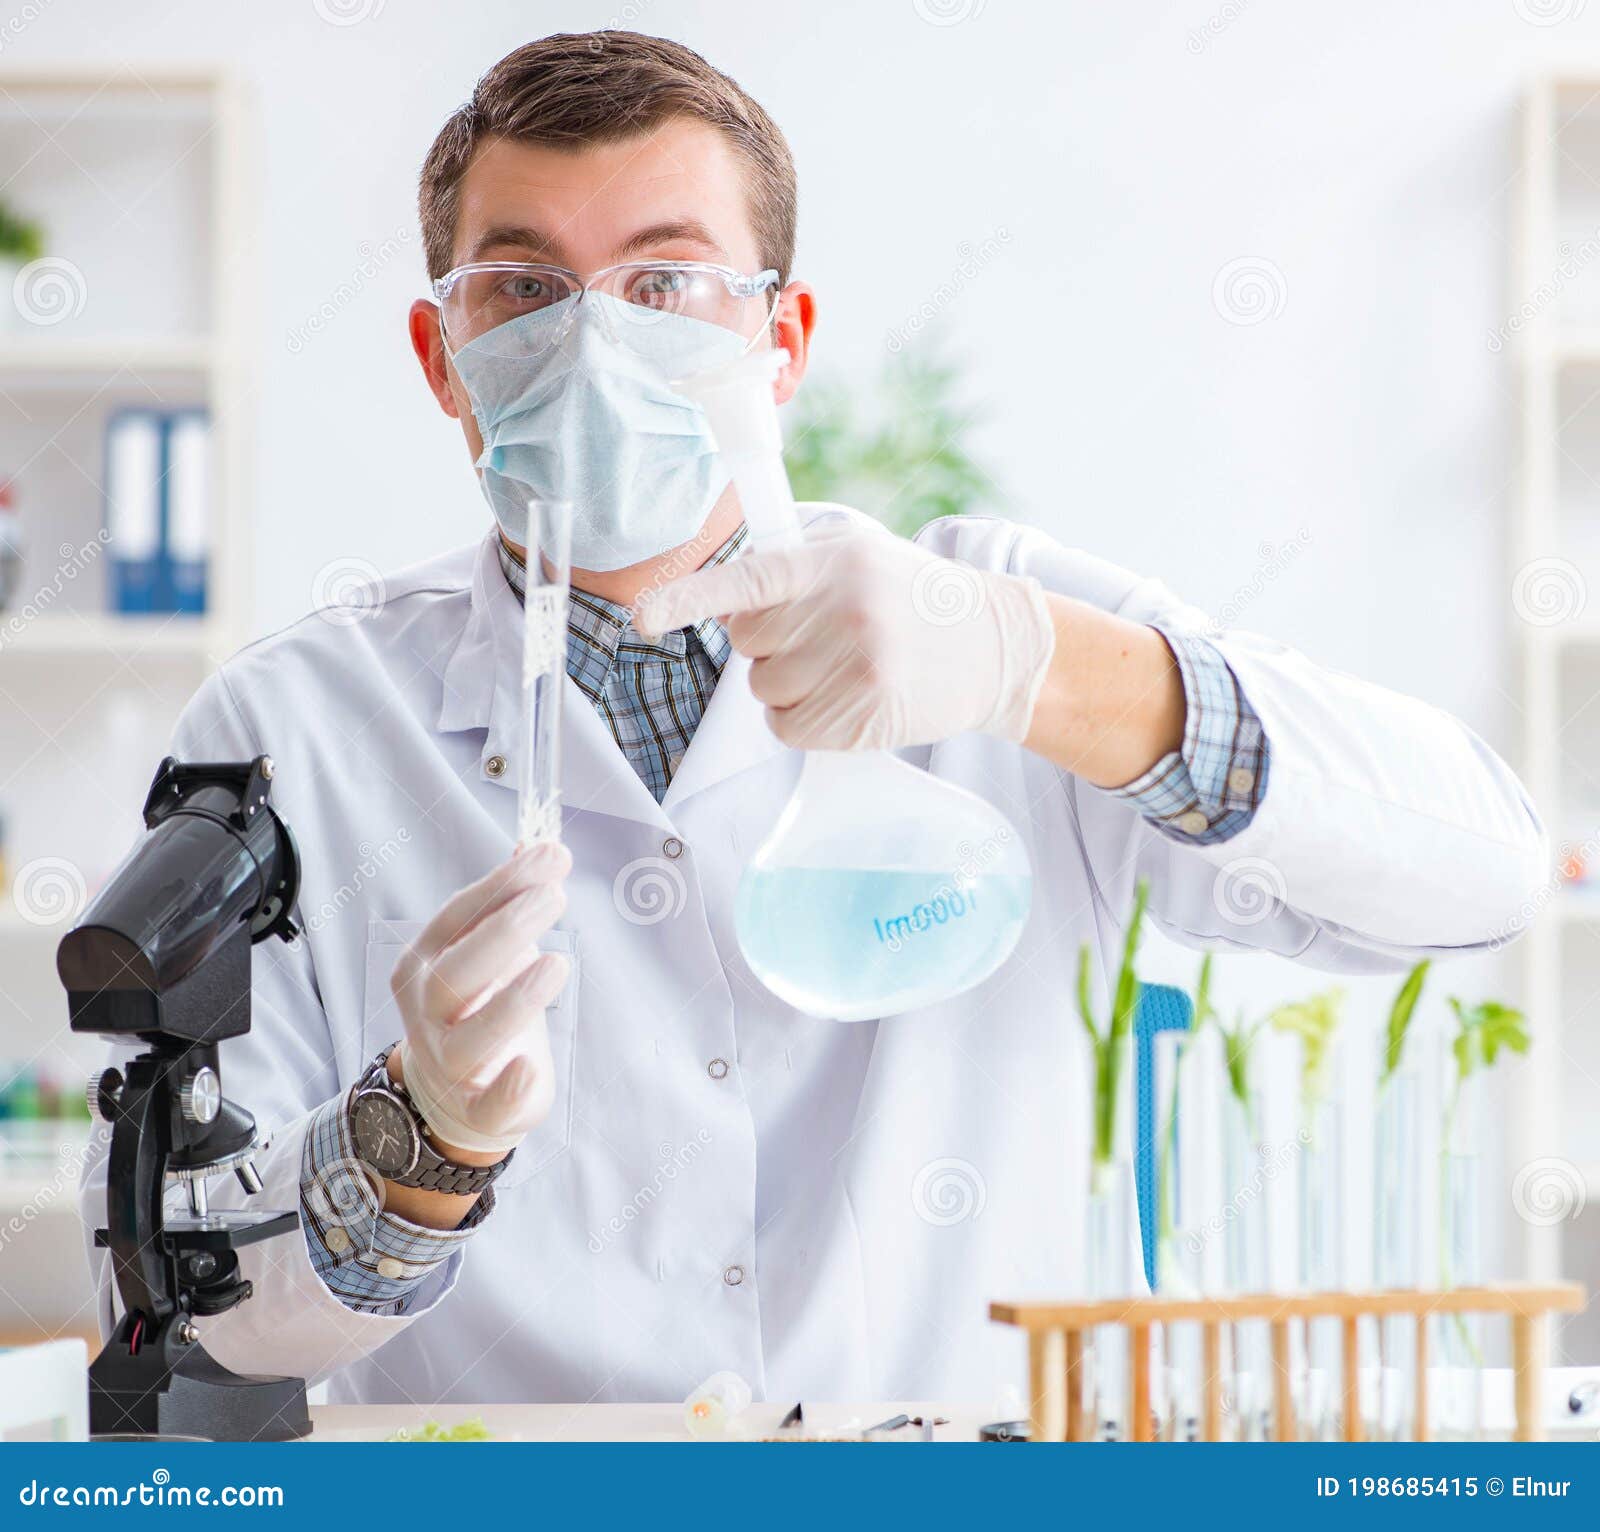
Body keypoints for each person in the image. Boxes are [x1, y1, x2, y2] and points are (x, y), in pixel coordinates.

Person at [83, 31, 1544, 1409]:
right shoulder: (296, 726)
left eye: (666, 283)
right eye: (524, 289)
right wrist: (412, 1145)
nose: (593, 345)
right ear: (440, 355)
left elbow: (1483, 871)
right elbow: (173, 1315)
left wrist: (1036, 666)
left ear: (781, 341)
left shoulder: (994, 623)